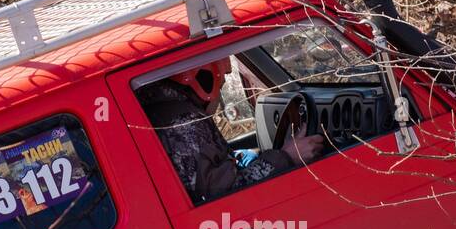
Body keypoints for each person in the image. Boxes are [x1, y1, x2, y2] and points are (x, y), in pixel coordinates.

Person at [138, 60, 323, 203]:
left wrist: (244, 157)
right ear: (205, 83)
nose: (219, 94)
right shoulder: (184, 122)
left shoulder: (160, 112)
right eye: (221, 85)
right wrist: (287, 156)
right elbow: (226, 196)